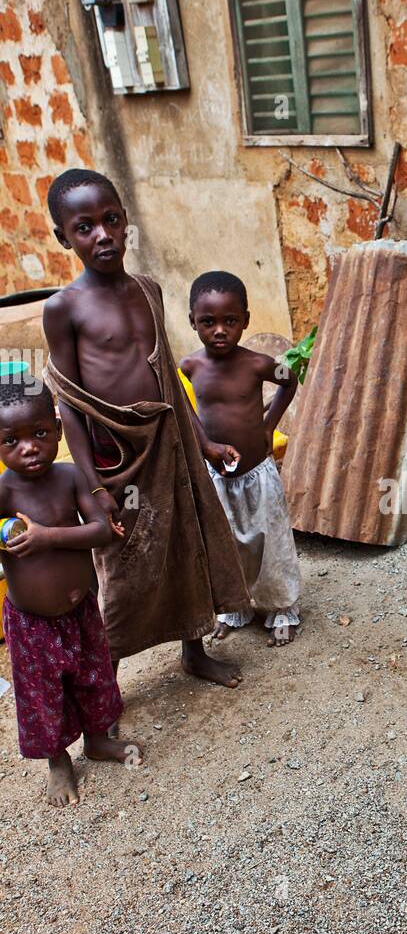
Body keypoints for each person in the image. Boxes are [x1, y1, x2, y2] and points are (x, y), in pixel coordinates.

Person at [41, 169, 250, 686]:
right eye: (84, 227)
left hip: (172, 447)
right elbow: (68, 403)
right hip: (116, 457)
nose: (103, 235)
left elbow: (170, 383)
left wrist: (202, 440)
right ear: (62, 236)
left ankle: (194, 651)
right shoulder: (63, 308)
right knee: (125, 568)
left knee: (187, 543)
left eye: (111, 220)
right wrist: (92, 486)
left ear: (126, 220)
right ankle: (106, 683)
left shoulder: (149, 289)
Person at [0, 378, 142, 806]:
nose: (29, 447)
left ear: (58, 430)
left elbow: (101, 531)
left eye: (39, 433)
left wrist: (46, 538)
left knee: (94, 677)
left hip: (81, 609)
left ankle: (98, 741)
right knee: (44, 695)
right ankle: (58, 762)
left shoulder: (70, 477)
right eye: (12, 440)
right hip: (30, 622)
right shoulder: (3, 492)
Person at [181, 271, 301, 646]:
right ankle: (236, 607)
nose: (219, 330)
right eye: (208, 322)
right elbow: (181, 402)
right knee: (227, 543)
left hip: (258, 473)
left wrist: (269, 425)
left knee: (272, 541)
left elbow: (290, 378)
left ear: (245, 321)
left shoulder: (258, 364)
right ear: (193, 322)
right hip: (217, 477)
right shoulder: (190, 367)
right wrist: (203, 443)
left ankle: (282, 608)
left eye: (230, 321)